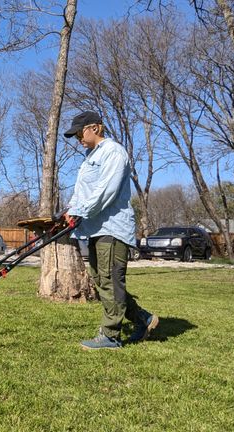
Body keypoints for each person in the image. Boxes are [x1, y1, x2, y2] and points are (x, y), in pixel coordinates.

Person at [62, 111, 158, 350]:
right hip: (95, 227)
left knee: (109, 280)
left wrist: (80, 210)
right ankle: (144, 319)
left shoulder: (113, 152)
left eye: (79, 133)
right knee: (102, 281)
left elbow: (106, 191)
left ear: (95, 128)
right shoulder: (89, 156)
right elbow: (83, 191)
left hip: (112, 228)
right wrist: (71, 209)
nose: (77, 139)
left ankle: (111, 335)